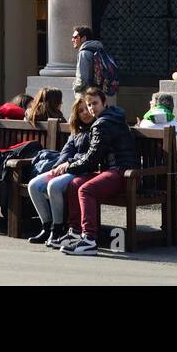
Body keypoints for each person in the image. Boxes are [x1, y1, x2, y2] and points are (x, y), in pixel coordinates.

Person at [49, 87, 136, 255]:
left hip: (123, 173)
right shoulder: (110, 118)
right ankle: (75, 232)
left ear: (104, 103)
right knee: (75, 184)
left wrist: (69, 165)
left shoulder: (103, 123)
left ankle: (89, 239)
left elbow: (92, 158)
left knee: (86, 189)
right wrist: (71, 164)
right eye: (89, 105)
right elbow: (92, 157)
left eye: (95, 103)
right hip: (112, 171)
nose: (91, 108)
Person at [26, 98, 95, 246]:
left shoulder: (97, 129)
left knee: (54, 186)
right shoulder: (77, 129)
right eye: (80, 110)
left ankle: (57, 229)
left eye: (86, 109)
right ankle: (46, 226)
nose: (85, 113)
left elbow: (91, 156)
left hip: (83, 170)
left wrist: (68, 164)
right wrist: (58, 166)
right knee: (33, 185)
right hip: (67, 167)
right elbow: (66, 151)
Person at [71, 26, 115, 98]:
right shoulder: (98, 50)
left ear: (84, 38)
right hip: (98, 94)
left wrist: (75, 87)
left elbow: (82, 79)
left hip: (86, 95)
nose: (72, 40)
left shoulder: (83, 53)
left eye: (75, 37)